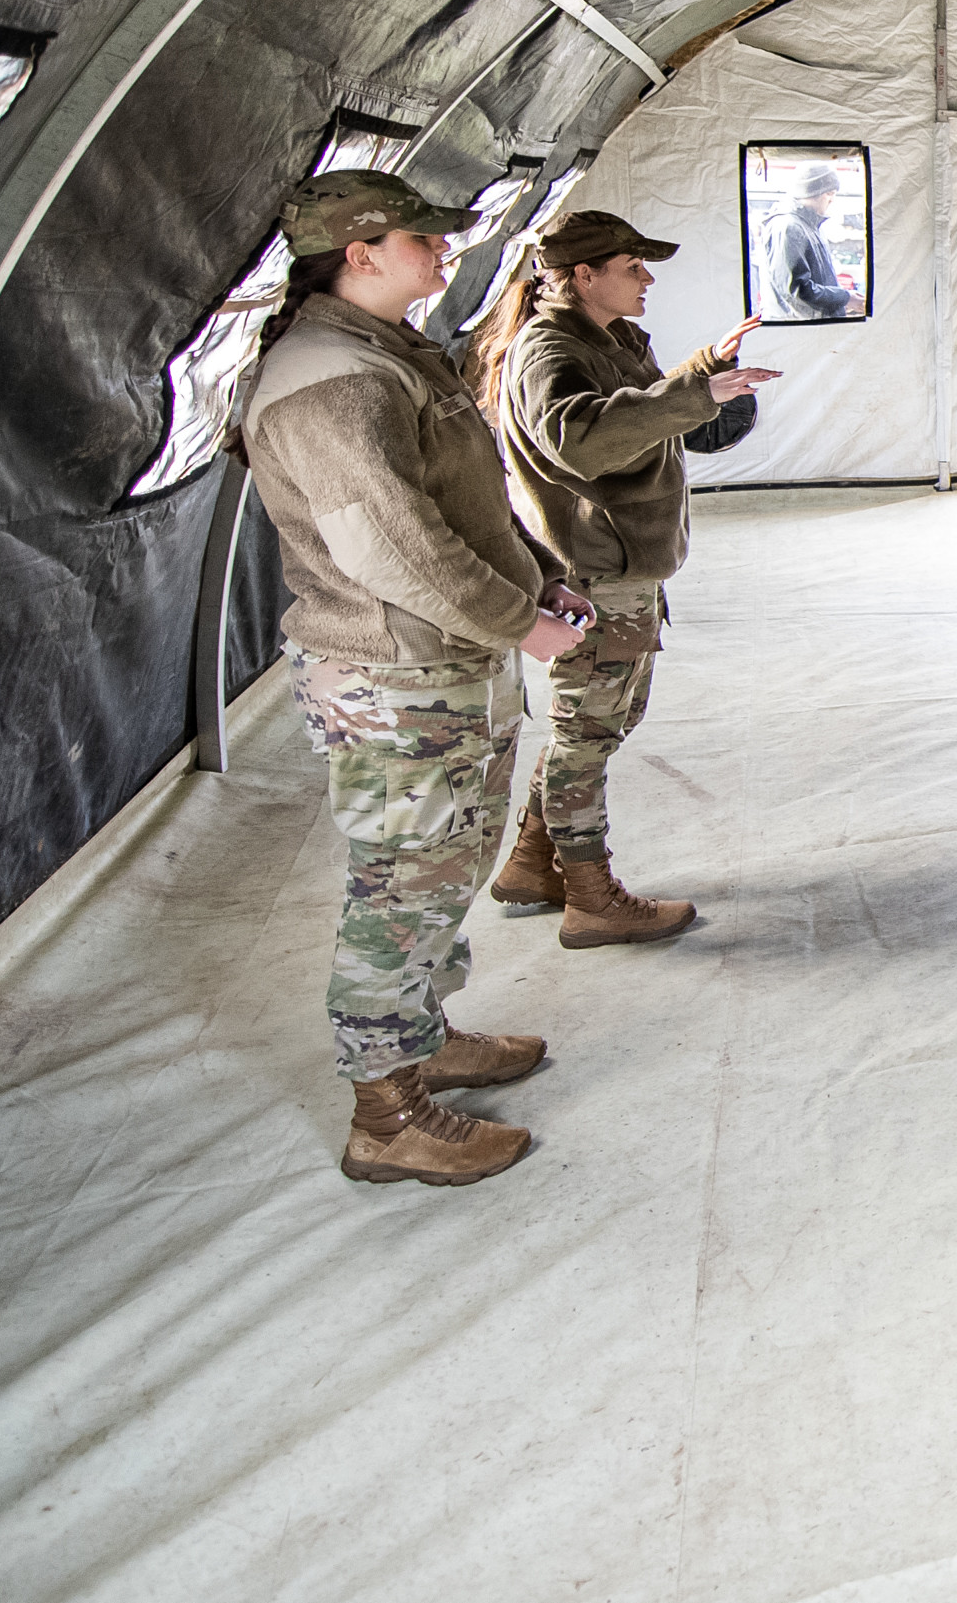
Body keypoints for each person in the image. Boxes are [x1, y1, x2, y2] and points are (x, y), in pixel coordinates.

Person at [236, 171, 577, 1187]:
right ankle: (386, 1114)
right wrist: (520, 621)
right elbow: (390, 546)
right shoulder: (327, 377)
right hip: (396, 679)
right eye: (421, 239)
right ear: (360, 253)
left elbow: (462, 501)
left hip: (439, 666)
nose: (442, 252)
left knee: (444, 867)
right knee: (400, 886)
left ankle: (420, 1039)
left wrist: (537, 577)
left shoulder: (383, 350)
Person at [481, 207, 777, 950]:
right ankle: (591, 898)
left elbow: (638, 411)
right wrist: (698, 393)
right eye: (632, 266)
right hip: (595, 574)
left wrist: (705, 371)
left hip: (619, 566)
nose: (647, 279)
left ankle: (532, 865)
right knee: (587, 732)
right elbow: (582, 439)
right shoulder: (548, 348)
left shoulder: (605, 337)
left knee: (594, 722)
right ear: (583, 275)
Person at [760, 164, 862, 319]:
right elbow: (796, 291)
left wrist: (841, 300)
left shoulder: (810, 226)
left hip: (809, 325)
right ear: (812, 192)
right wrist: (845, 298)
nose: (832, 200)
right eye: (829, 193)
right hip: (796, 327)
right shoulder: (788, 227)